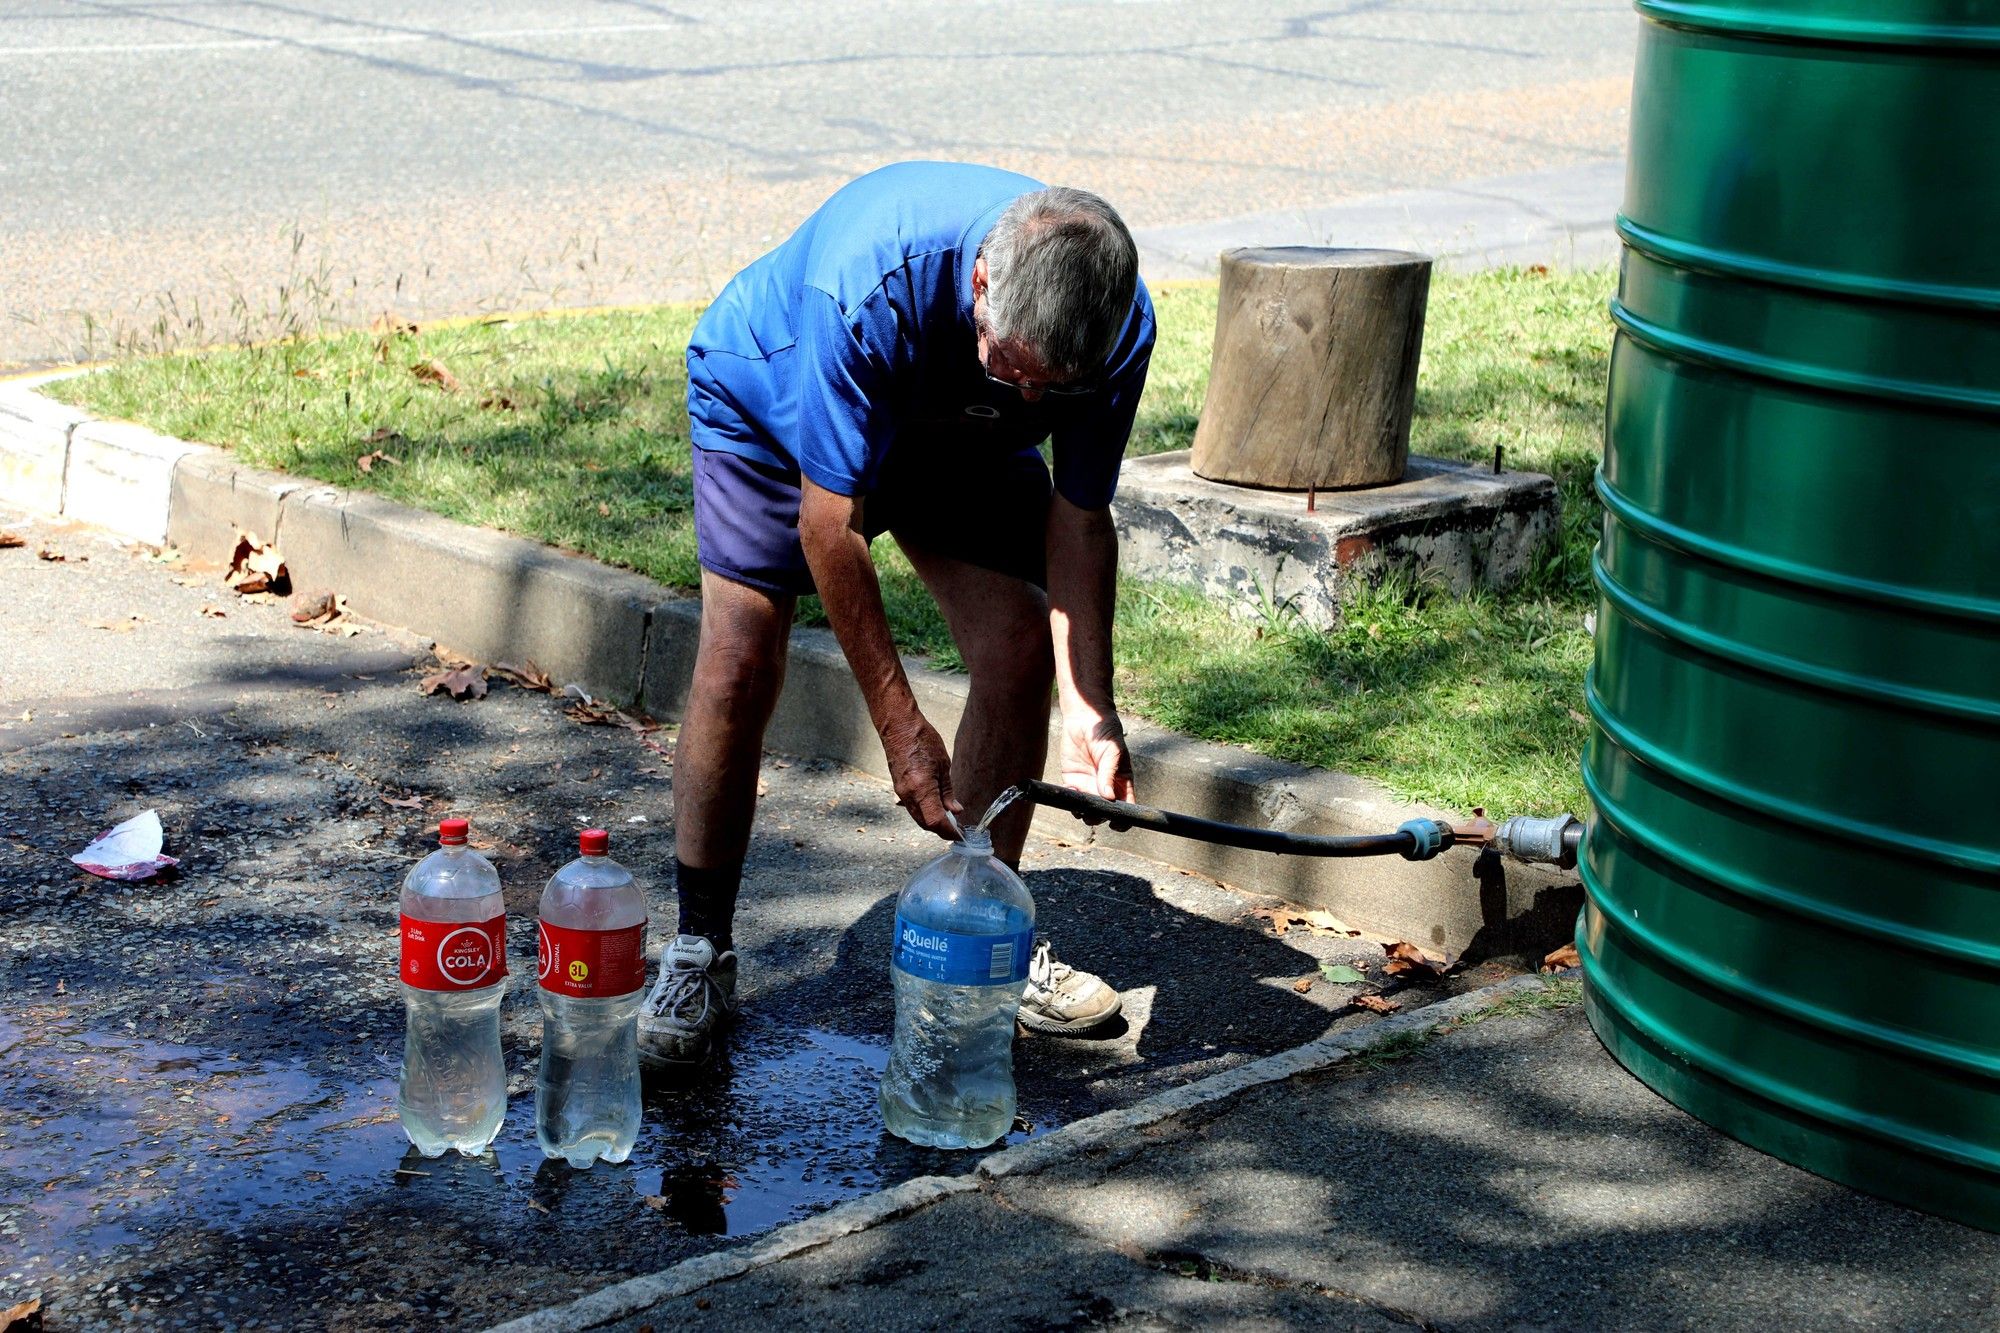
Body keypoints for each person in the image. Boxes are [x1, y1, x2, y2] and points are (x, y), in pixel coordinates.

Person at [639, 161, 1155, 1069]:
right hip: (769, 397)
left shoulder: (1110, 330)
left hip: (956, 428)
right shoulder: (870, 285)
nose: (1034, 399)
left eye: (1051, 388)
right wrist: (900, 723)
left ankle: (980, 943)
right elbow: (829, 526)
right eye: (1020, 368)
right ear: (982, 283)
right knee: (739, 659)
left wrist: (1092, 708)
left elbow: (1078, 517)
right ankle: (700, 946)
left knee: (1021, 640)